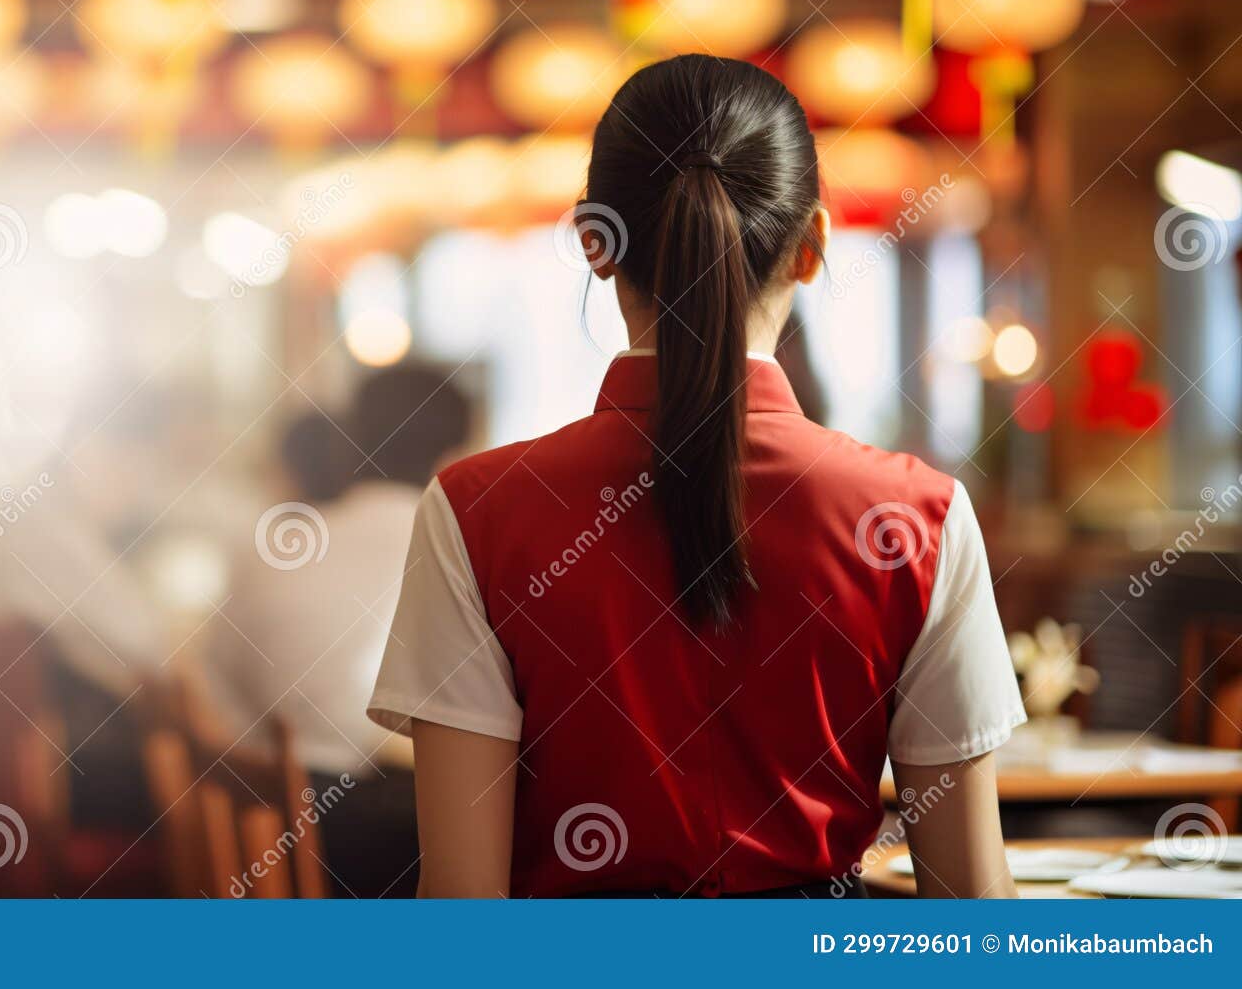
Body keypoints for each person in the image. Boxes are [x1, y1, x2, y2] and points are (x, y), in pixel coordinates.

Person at [367, 56, 1026, 899]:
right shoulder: (918, 517)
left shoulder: (476, 511)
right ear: (814, 245)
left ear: (594, 243)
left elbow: (461, 914)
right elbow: (970, 906)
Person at [205, 372, 469, 897]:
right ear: (459, 451)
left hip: (269, 836)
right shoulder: (462, 547)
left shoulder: (273, 544)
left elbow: (219, 697)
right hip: (380, 848)